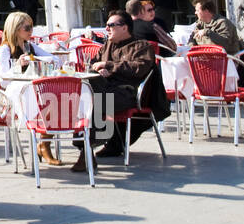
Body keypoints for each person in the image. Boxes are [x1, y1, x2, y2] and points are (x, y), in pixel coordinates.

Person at [71, 10, 171, 171]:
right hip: (106, 88)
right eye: (106, 25)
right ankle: (85, 147)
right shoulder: (107, 46)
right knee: (81, 99)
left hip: (128, 93)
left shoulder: (141, 46)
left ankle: (87, 149)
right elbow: (93, 64)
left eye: (111, 25)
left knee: (96, 103)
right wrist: (98, 69)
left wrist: (110, 66)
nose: (107, 28)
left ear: (125, 27)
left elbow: (139, 68)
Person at [0, 11, 58, 165]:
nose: (31, 31)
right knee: (50, 104)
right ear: (15, 29)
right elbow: (3, 78)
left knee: (56, 101)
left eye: (31, 27)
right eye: (27, 28)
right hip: (11, 94)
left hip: (32, 89)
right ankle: (43, 145)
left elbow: (54, 58)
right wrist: (17, 65)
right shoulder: (6, 49)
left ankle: (44, 144)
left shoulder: (29, 46)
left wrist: (38, 59)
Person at [190, 0, 244, 86]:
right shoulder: (200, 24)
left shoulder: (222, 23)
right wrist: (191, 48)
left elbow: (224, 44)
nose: (195, 13)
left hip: (226, 61)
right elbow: (192, 39)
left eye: (197, 10)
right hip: (206, 60)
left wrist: (207, 32)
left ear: (206, 11)